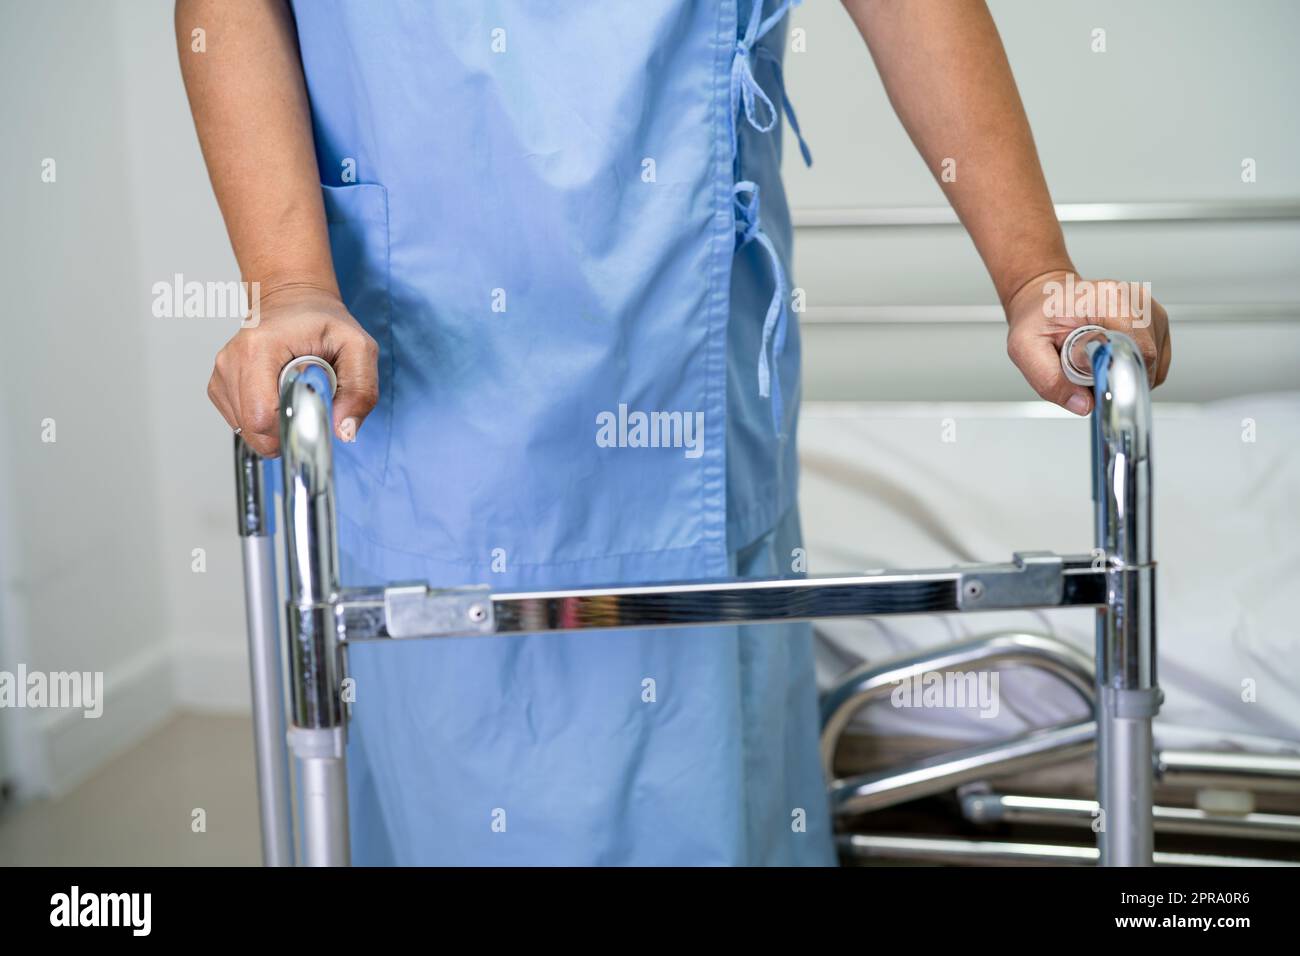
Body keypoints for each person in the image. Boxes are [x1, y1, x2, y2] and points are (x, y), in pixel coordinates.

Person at [177, 0, 1170, 866]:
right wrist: (293, 280)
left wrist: (1032, 270)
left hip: (683, 367)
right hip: (428, 394)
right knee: (453, 780)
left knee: (713, 781)